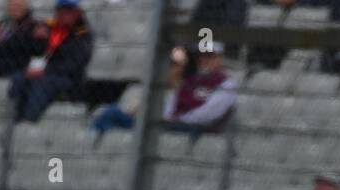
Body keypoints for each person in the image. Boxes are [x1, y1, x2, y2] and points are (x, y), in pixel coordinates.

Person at [91, 41, 235, 135]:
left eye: (210, 56)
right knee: (111, 113)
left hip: (192, 128)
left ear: (220, 59)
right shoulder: (190, 81)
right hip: (169, 124)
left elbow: (208, 113)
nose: (205, 60)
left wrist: (178, 120)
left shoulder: (225, 84)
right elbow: (172, 103)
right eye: (202, 56)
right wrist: (166, 119)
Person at [9, 0, 92, 123]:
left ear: (76, 13)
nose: (63, 15)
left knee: (42, 84)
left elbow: (74, 65)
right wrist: (37, 38)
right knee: (19, 78)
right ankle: (13, 119)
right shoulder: (52, 30)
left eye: (68, 11)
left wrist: (45, 71)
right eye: (61, 11)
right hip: (45, 73)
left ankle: (28, 122)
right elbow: (31, 51)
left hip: (68, 80)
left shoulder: (82, 34)